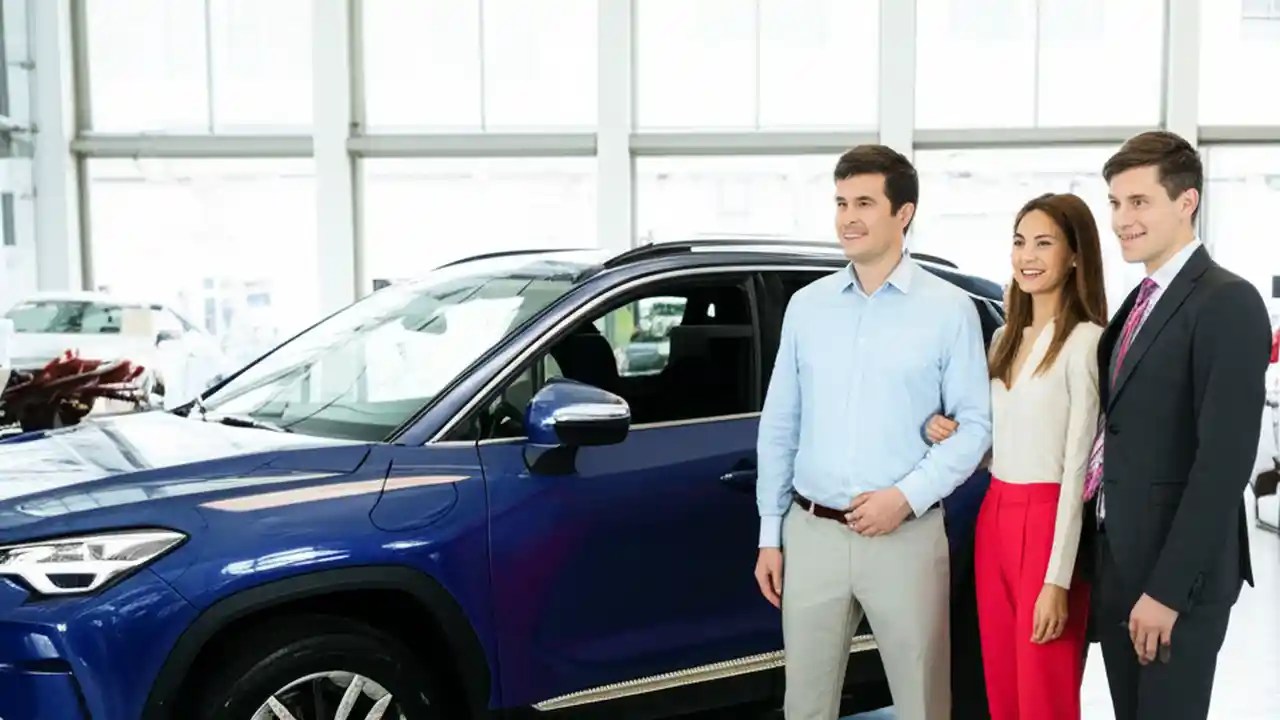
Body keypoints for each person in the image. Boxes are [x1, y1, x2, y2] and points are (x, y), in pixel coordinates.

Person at [754, 144, 993, 720]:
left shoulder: (949, 309)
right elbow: (781, 422)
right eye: (840, 203)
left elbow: (975, 428)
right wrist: (770, 531)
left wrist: (903, 499)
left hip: (905, 538)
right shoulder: (806, 308)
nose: (847, 218)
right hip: (812, 533)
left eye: (864, 202)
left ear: (903, 213)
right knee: (804, 704)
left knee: (921, 701)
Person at [1088, 130, 1271, 719]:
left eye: (1138, 202)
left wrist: (1166, 591)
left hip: (1175, 580)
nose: (1121, 220)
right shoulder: (1139, 302)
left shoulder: (1227, 301)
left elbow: (1223, 466)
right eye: (1115, 203)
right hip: (1121, 564)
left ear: (1185, 201)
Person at [927, 192, 1109, 719]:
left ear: (1075, 255)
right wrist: (950, 431)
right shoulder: (1005, 337)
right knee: (1002, 689)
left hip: (1050, 521)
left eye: (1044, 243)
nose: (1027, 256)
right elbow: (993, 447)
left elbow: (1078, 470)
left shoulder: (1086, 342)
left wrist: (1057, 580)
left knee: (1044, 694)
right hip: (995, 517)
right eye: (1019, 241)